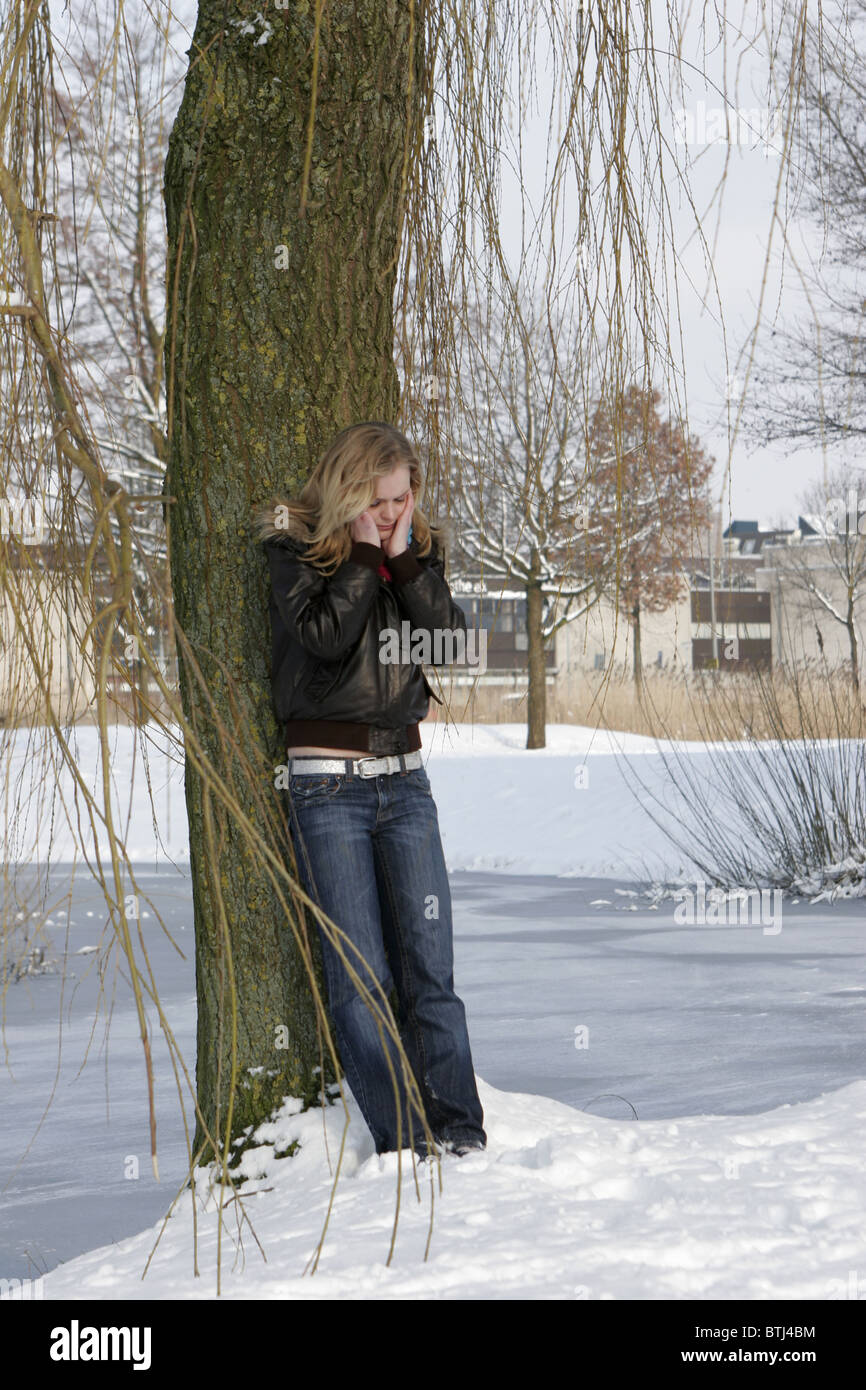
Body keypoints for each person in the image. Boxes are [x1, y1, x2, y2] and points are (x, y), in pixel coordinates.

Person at [254, 421, 487, 1161]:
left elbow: (451, 643)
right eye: (379, 500)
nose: (392, 512)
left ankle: (461, 1134)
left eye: (402, 497)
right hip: (327, 790)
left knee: (431, 970)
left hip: (407, 785)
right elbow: (325, 637)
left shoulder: (413, 553)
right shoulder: (293, 551)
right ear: (350, 491)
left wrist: (406, 563)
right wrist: (361, 552)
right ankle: (406, 1141)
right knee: (362, 978)